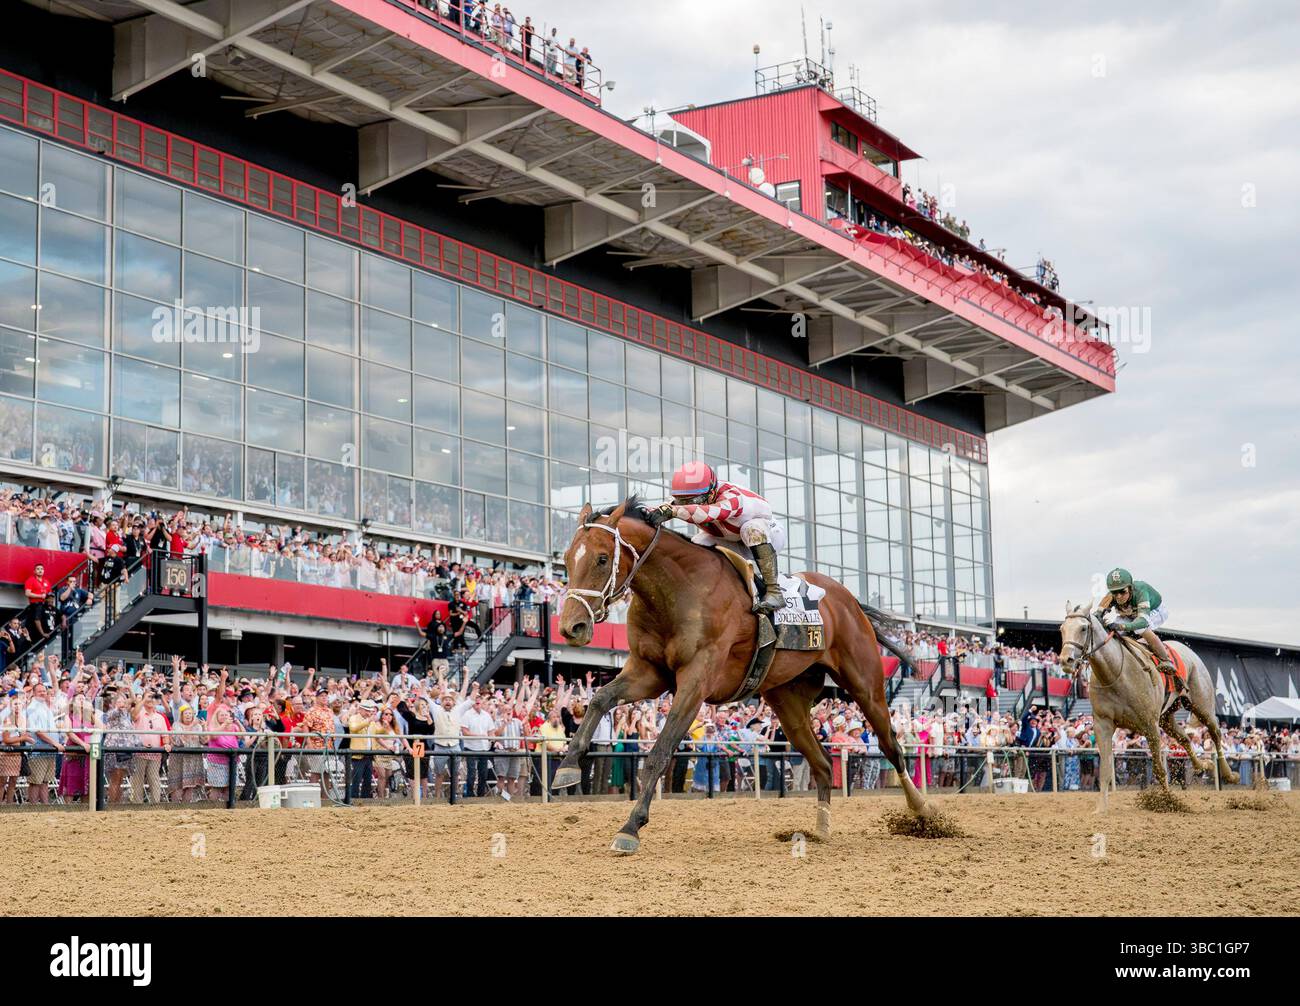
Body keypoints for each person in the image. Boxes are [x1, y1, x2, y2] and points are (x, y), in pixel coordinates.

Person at [653, 461, 787, 613]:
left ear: (711, 493)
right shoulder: (687, 498)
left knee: (751, 529)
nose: (686, 504)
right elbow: (665, 507)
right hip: (731, 538)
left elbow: (707, 513)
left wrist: (675, 511)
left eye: (693, 501)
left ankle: (774, 591)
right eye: (682, 501)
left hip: (769, 535)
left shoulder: (733, 498)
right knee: (697, 543)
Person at [1095, 567, 1184, 696]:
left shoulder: (1141, 590)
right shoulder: (1110, 596)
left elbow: (1142, 621)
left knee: (1139, 628)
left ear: (1130, 588)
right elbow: (1096, 615)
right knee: (1114, 632)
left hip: (1154, 611)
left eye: (1122, 592)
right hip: (1131, 613)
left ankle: (1166, 660)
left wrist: (1120, 627)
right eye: (1115, 593)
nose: (1118, 596)